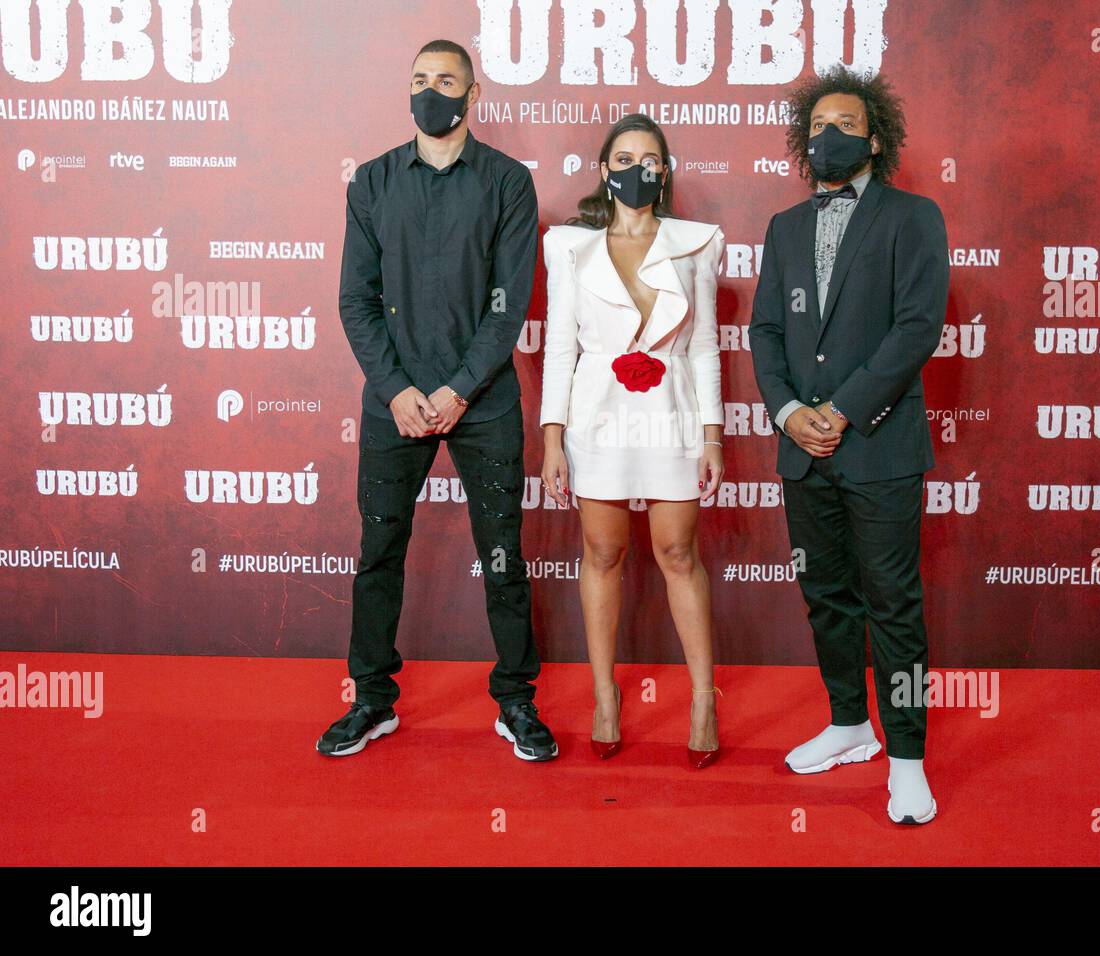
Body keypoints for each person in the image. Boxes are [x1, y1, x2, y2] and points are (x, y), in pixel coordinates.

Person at [317, 39, 557, 761]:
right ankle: (372, 700)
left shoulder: (509, 183)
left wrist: (456, 389)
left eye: (446, 80)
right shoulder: (373, 182)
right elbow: (355, 302)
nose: (431, 91)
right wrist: (397, 390)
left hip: (480, 403)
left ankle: (516, 700)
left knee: (504, 555)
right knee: (378, 552)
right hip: (394, 405)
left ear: (473, 93)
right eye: (420, 80)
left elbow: (508, 306)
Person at [749, 66, 950, 823]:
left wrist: (844, 408)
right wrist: (788, 411)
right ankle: (847, 723)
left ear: (875, 137)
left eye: (845, 125)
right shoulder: (784, 228)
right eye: (818, 126)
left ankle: (905, 758)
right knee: (825, 597)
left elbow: (916, 328)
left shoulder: (913, 216)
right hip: (802, 449)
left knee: (894, 605)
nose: (827, 137)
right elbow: (766, 331)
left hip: (879, 446)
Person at [538, 114, 726, 768]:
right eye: (624, 157)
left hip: (671, 416)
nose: (636, 169)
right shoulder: (570, 249)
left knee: (678, 551)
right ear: (603, 169)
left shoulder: (695, 245)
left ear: (664, 172)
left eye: (650, 159)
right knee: (602, 551)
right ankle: (604, 696)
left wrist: (713, 437)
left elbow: (704, 347)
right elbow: (560, 348)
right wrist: (552, 439)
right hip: (597, 420)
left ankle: (704, 699)